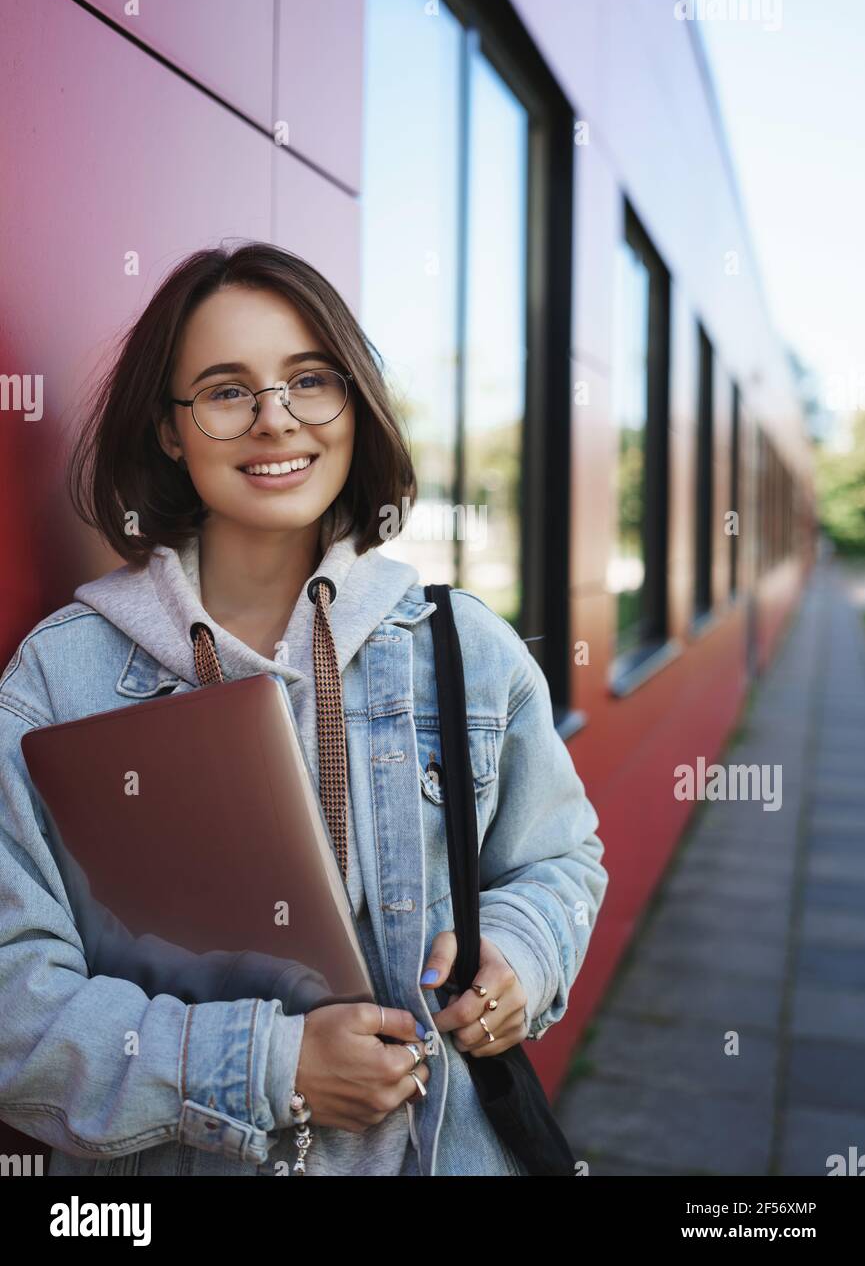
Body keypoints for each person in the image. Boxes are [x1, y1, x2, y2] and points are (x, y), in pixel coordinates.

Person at [0, 243, 609, 1176]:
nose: (275, 421)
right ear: (171, 430)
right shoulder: (58, 682)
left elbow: (560, 860)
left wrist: (522, 955)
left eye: (309, 380)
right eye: (225, 389)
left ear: (353, 404)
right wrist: (268, 1068)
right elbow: (16, 1005)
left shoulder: (466, 650)